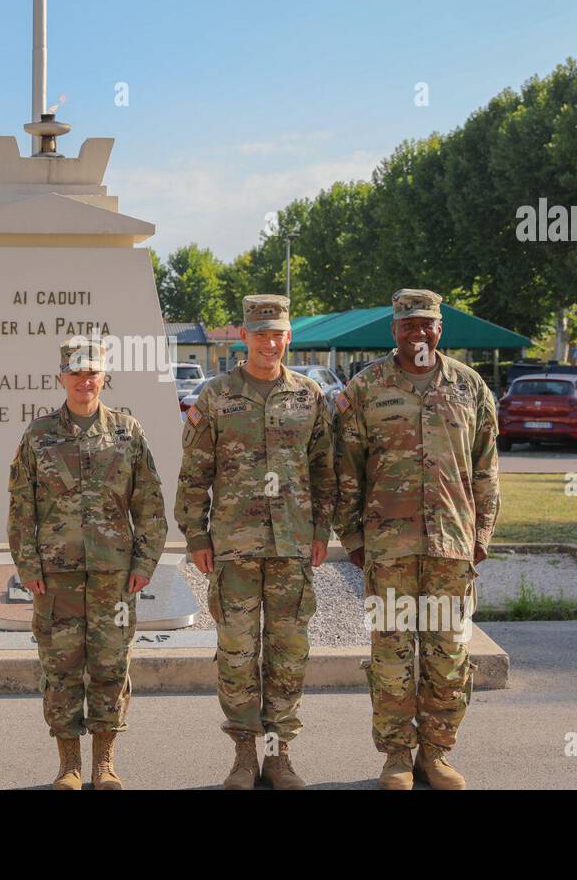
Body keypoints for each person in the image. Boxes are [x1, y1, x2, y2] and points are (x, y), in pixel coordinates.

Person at [333, 288, 500, 790]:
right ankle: (396, 757)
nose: (418, 332)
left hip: (452, 546)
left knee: (449, 655)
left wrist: (481, 535)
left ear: (440, 328)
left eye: (426, 323)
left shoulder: (470, 388)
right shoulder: (366, 389)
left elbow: (486, 470)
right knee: (391, 657)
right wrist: (356, 541)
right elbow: (346, 473)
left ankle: (437, 753)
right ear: (394, 329)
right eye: (408, 324)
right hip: (389, 550)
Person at [176, 295, 337, 790]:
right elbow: (194, 474)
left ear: (289, 337)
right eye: (260, 333)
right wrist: (197, 534)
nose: (269, 342)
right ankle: (245, 755)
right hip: (233, 547)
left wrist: (321, 531)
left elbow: (324, 471)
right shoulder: (216, 397)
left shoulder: (310, 396)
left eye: (277, 333)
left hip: (292, 545)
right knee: (237, 651)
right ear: (243, 336)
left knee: (288, 651)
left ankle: (278, 755)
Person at [8, 338, 167, 789]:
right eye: (75, 373)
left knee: (111, 667)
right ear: (61, 377)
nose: (84, 380)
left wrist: (145, 561)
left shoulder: (126, 432)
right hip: (55, 577)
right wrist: (28, 566)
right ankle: (68, 765)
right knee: (60, 668)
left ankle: (104, 762)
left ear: (104, 377)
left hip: (114, 576)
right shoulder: (39, 435)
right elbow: (21, 506)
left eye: (92, 372)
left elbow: (150, 504)